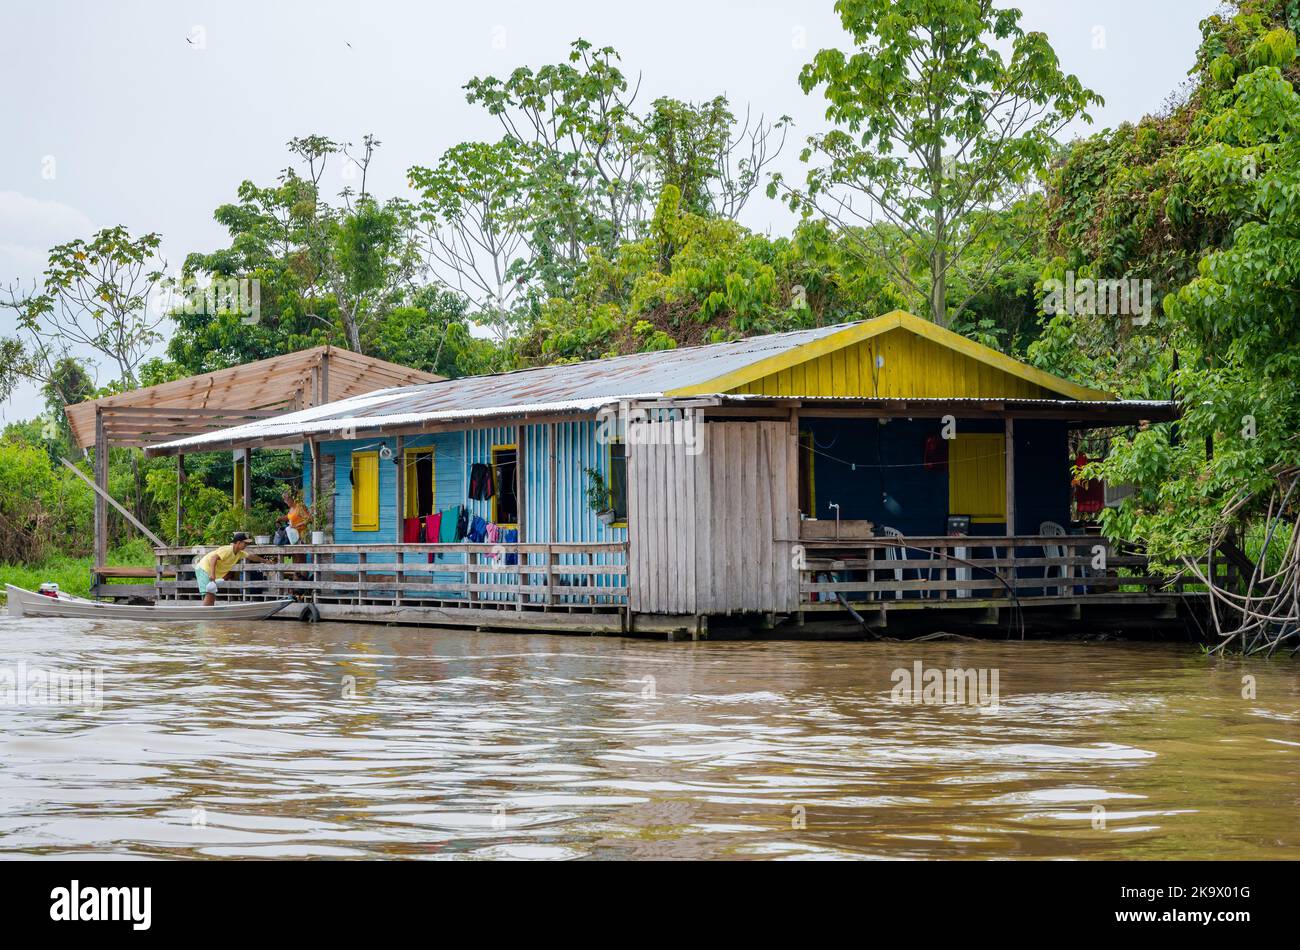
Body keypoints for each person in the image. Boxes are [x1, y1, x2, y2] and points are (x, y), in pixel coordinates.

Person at [194, 533, 270, 606]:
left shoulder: (240, 553)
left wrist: (265, 561)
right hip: (204, 568)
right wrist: (212, 574)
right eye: (245, 543)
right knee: (209, 592)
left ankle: (209, 613)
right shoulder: (228, 550)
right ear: (238, 543)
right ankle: (207, 614)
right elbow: (213, 558)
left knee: (212, 591)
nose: (246, 545)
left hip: (209, 570)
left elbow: (251, 556)